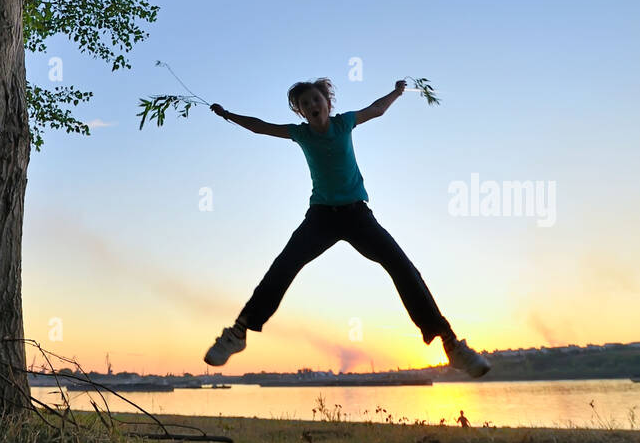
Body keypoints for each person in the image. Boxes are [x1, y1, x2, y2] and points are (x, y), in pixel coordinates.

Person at [203, 77, 490, 377]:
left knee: (403, 267)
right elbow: (259, 126)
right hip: (321, 218)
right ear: (301, 112)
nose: (312, 105)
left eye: (316, 99)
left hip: (357, 217)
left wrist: (397, 92)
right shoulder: (300, 134)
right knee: (284, 266)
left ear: (327, 103)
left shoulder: (345, 123)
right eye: (305, 104)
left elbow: (377, 109)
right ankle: (238, 333)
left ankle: (451, 344)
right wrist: (227, 115)